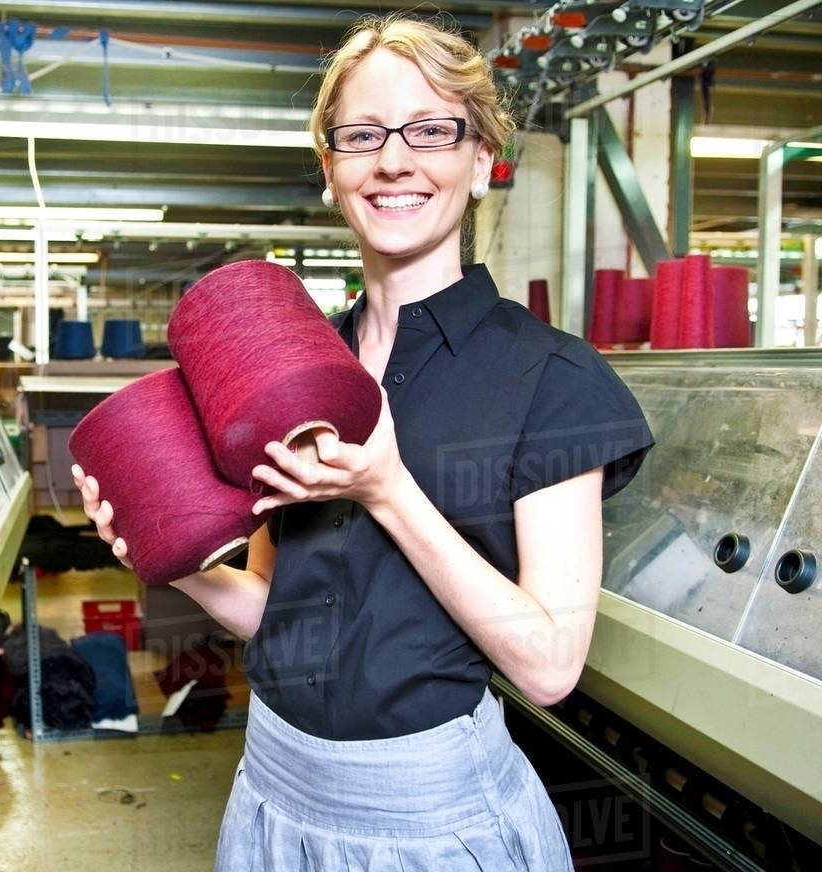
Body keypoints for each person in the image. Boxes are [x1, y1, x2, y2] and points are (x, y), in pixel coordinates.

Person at [72, 13, 654, 870]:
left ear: (481, 160)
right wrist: (171, 555)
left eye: (431, 130)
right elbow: (275, 612)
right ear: (331, 169)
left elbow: (548, 668)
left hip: (431, 820)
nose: (393, 160)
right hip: (273, 794)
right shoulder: (286, 376)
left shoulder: (552, 379)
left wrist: (387, 488)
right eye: (363, 134)